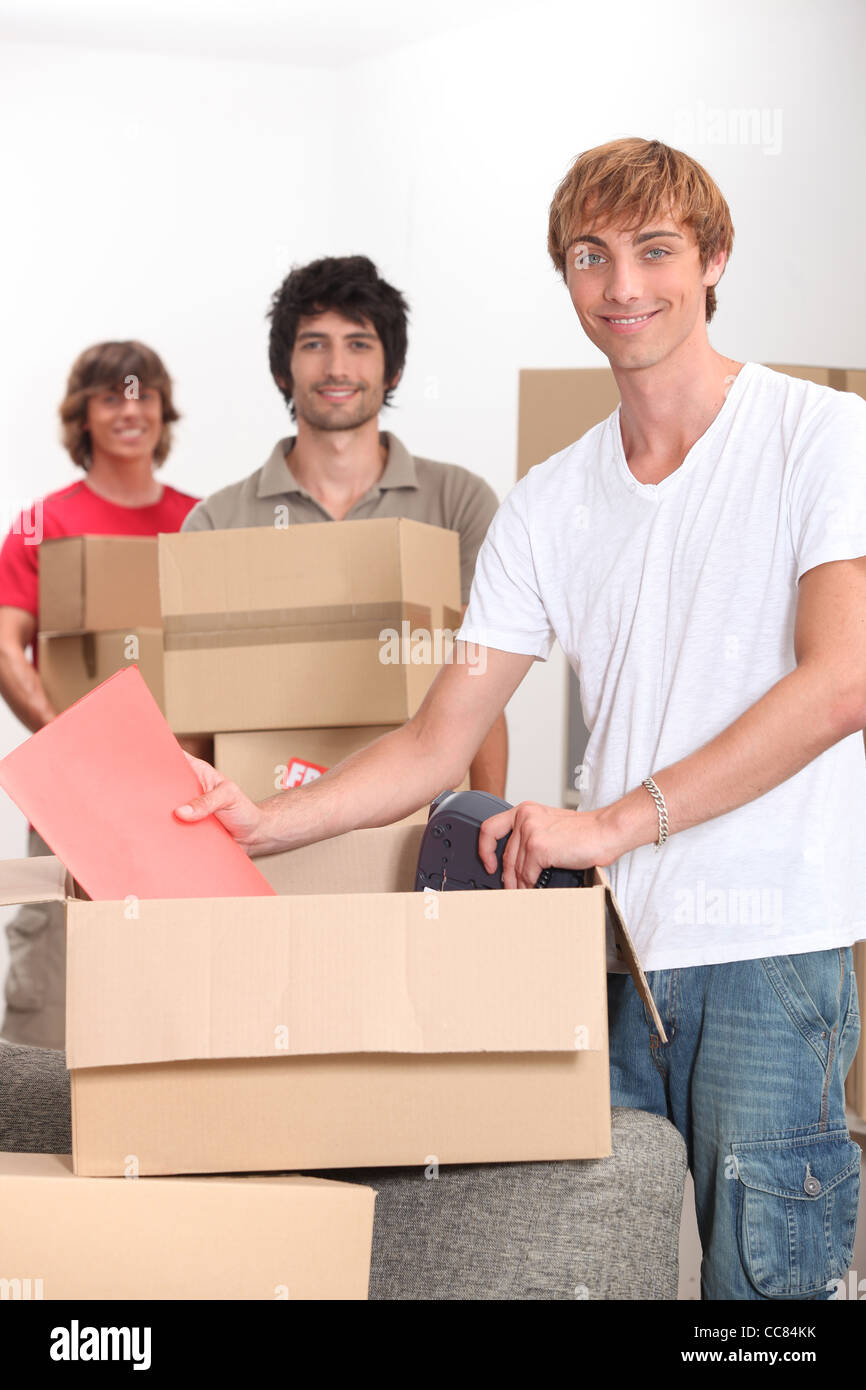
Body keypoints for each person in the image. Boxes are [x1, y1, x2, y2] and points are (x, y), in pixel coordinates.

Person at [175, 139, 866, 1301]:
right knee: (593, 1274)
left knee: (766, 1310)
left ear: (712, 259)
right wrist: (265, 823)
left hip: (767, 951)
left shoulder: (818, 437)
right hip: (606, 958)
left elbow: (840, 679)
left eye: (654, 250)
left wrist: (614, 821)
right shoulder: (550, 496)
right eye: (589, 258)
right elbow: (436, 741)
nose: (622, 286)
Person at [181, 255, 506, 794]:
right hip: (258, 812)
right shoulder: (216, 523)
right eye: (314, 344)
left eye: (359, 344)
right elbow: (192, 713)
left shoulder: (459, 503)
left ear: (392, 369)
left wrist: (486, 826)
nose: (336, 368)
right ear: (283, 369)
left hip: (417, 818)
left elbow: (481, 686)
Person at [0, 341, 198, 1047]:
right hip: (70, 790)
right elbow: (4, 642)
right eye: (111, 395)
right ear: (83, 415)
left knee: (179, 972)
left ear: (162, 412)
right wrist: (66, 742)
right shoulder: (41, 526)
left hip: (183, 790)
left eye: (142, 395)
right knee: (55, 970)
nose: (130, 410)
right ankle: (32, 1142)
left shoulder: (200, 522)